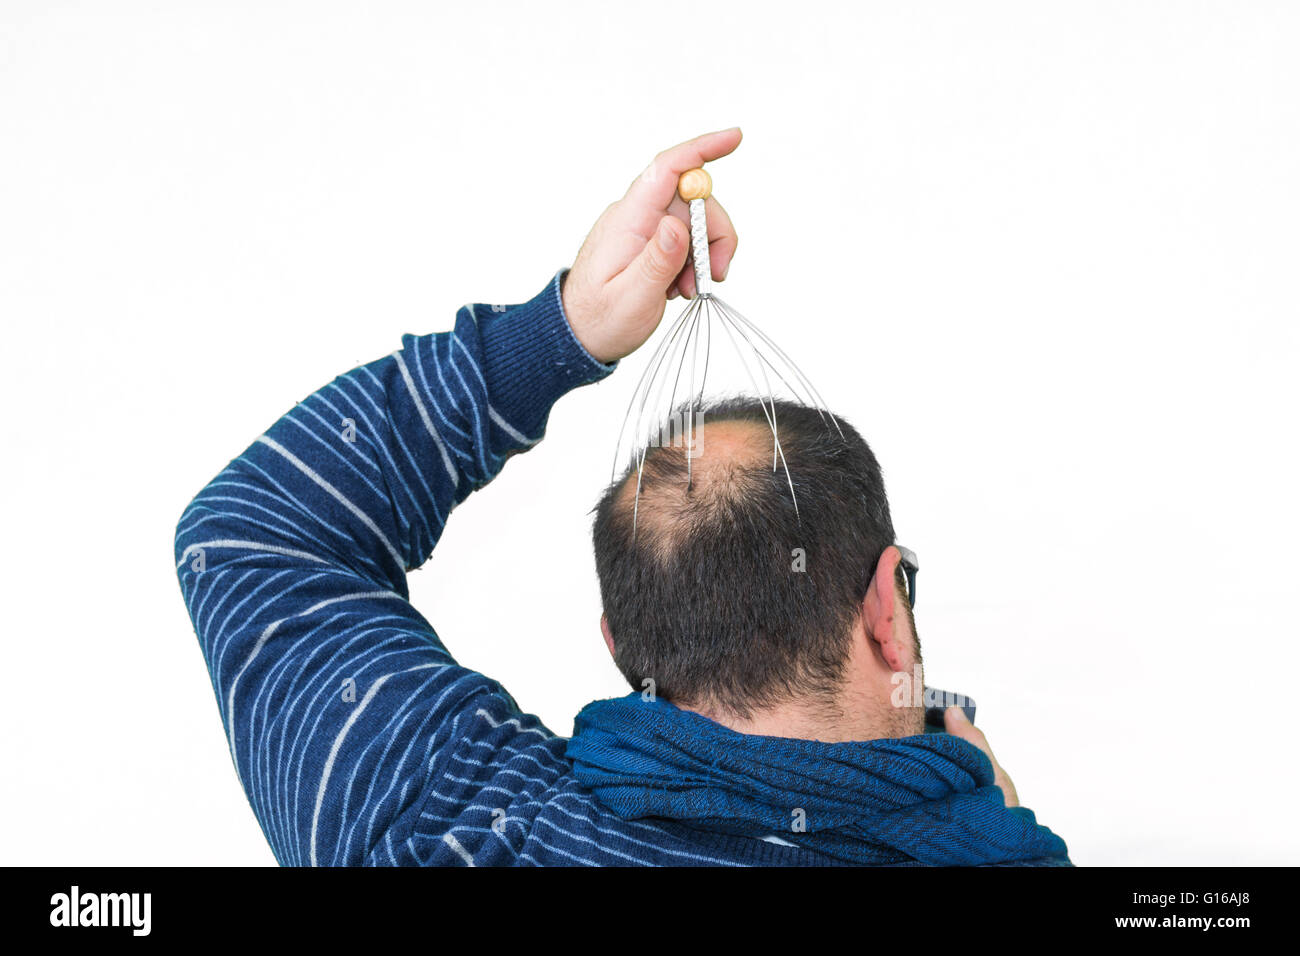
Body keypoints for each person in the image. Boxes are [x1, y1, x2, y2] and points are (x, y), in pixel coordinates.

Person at [174, 128, 1069, 866]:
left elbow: (258, 534)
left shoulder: (459, 832)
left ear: (619, 648)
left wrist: (558, 331)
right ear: (887, 606)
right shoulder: (1000, 850)